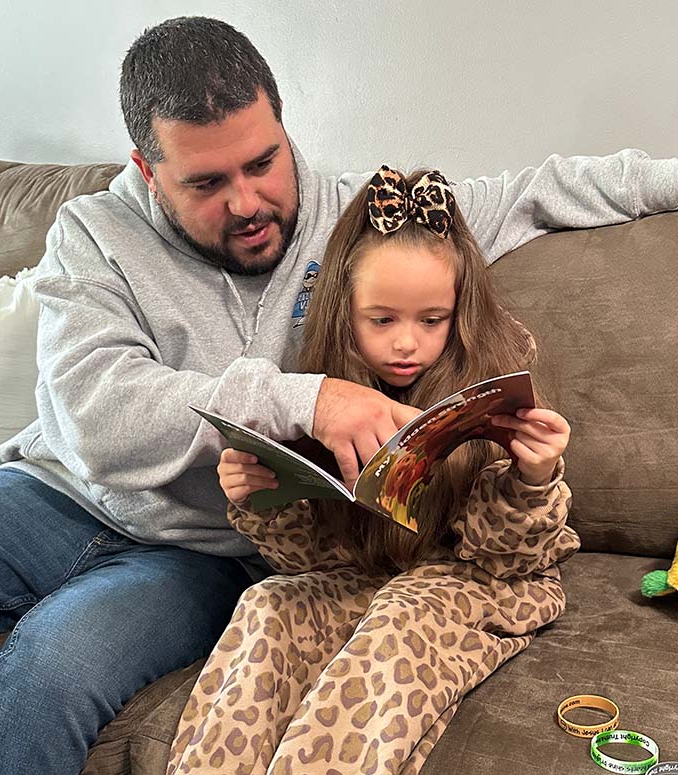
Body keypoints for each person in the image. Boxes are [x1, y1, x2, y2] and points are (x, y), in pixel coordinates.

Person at [0, 15, 678, 775]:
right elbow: (99, 413)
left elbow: (537, 189)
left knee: (48, 673)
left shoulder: (357, 221)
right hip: (49, 494)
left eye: (263, 160)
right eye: (206, 183)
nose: (247, 201)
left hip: (203, 552)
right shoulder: (92, 236)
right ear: (144, 171)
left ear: (286, 127)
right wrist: (306, 399)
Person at [167, 166, 580, 775]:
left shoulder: (487, 385)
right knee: (268, 604)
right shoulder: (326, 395)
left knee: (401, 620)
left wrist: (532, 481)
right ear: (345, 312)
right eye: (382, 320)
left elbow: (509, 560)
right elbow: (308, 563)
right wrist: (263, 500)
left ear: (459, 314)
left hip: (479, 580)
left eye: (431, 320)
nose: (407, 343)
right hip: (365, 575)